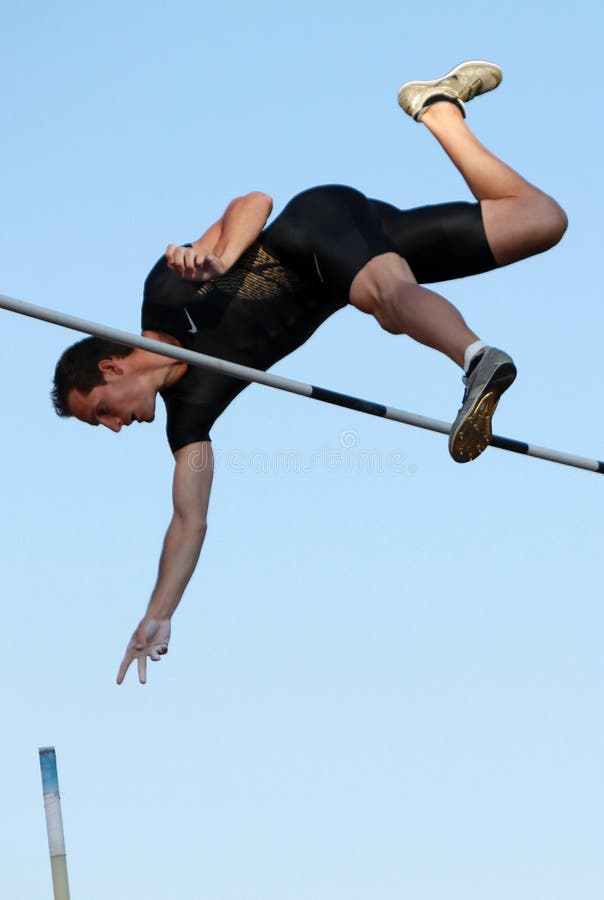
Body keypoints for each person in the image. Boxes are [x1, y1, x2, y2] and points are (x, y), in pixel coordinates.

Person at [51, 61, 567, 684]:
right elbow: (189, 520)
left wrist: (219, 259)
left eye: (100, 412)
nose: (113, 427)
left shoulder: (166, 292)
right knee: (541, 219)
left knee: (388, 301)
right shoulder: (188, 420)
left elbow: (254, 202)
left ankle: (478, 360)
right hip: (360, 255)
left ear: (111, 367)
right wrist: (158, 614)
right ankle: (438, 108)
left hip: (317, 228)